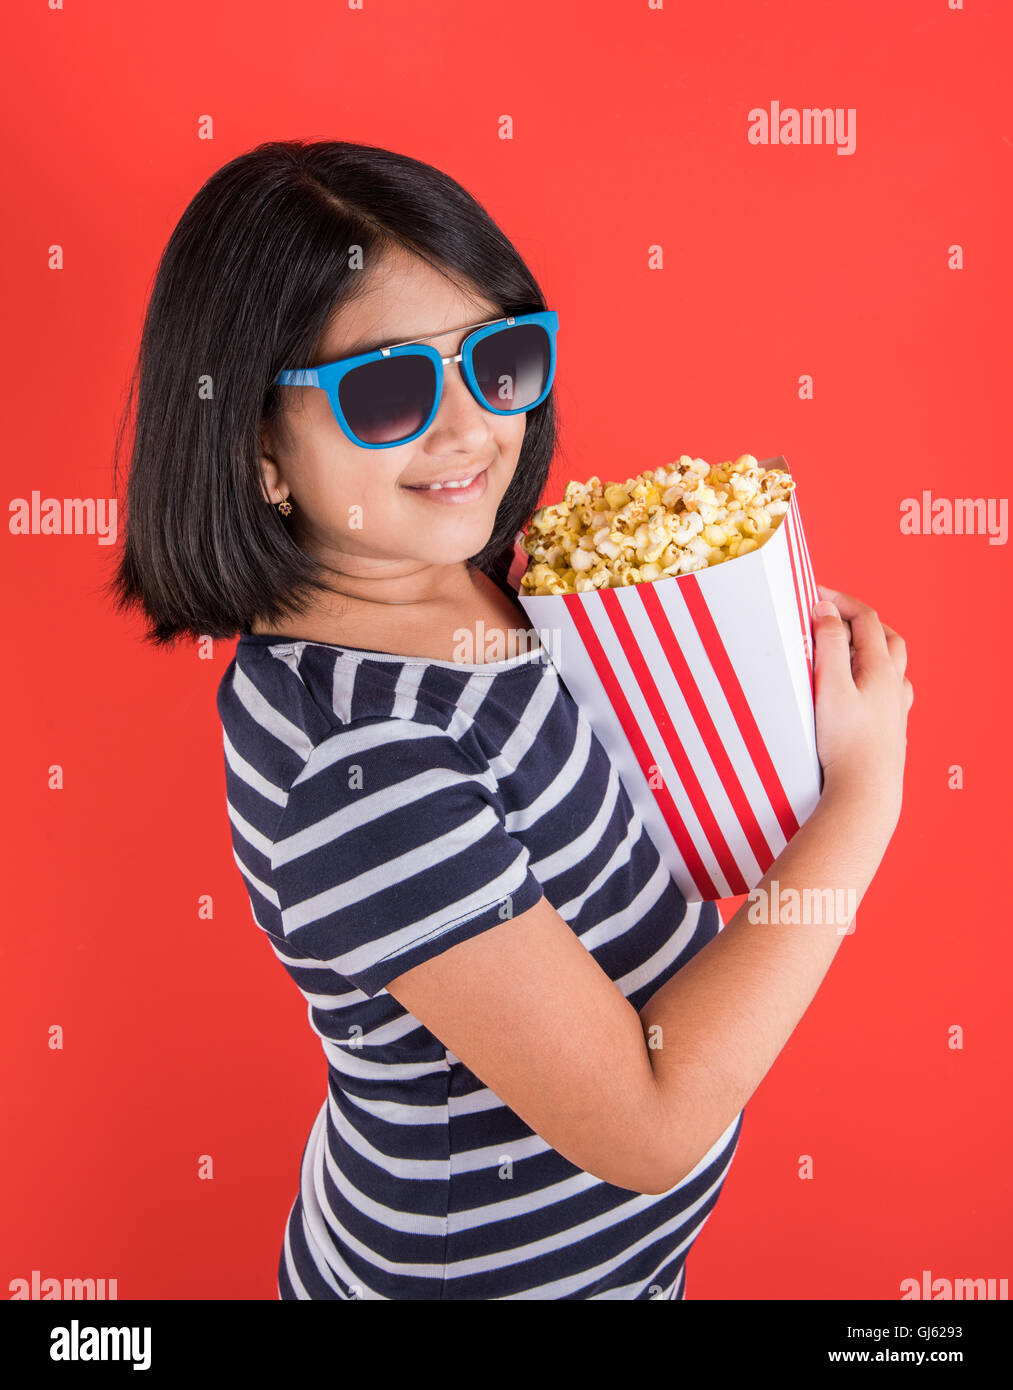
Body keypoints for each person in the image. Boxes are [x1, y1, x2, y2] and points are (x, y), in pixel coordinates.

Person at [107, 139, 913, 1300]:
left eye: (498, 357)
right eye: (385, 388)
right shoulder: (360, 763)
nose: (469, 428)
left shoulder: (467, 573)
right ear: (257, 449)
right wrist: (863, 800)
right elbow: (642, 1128)